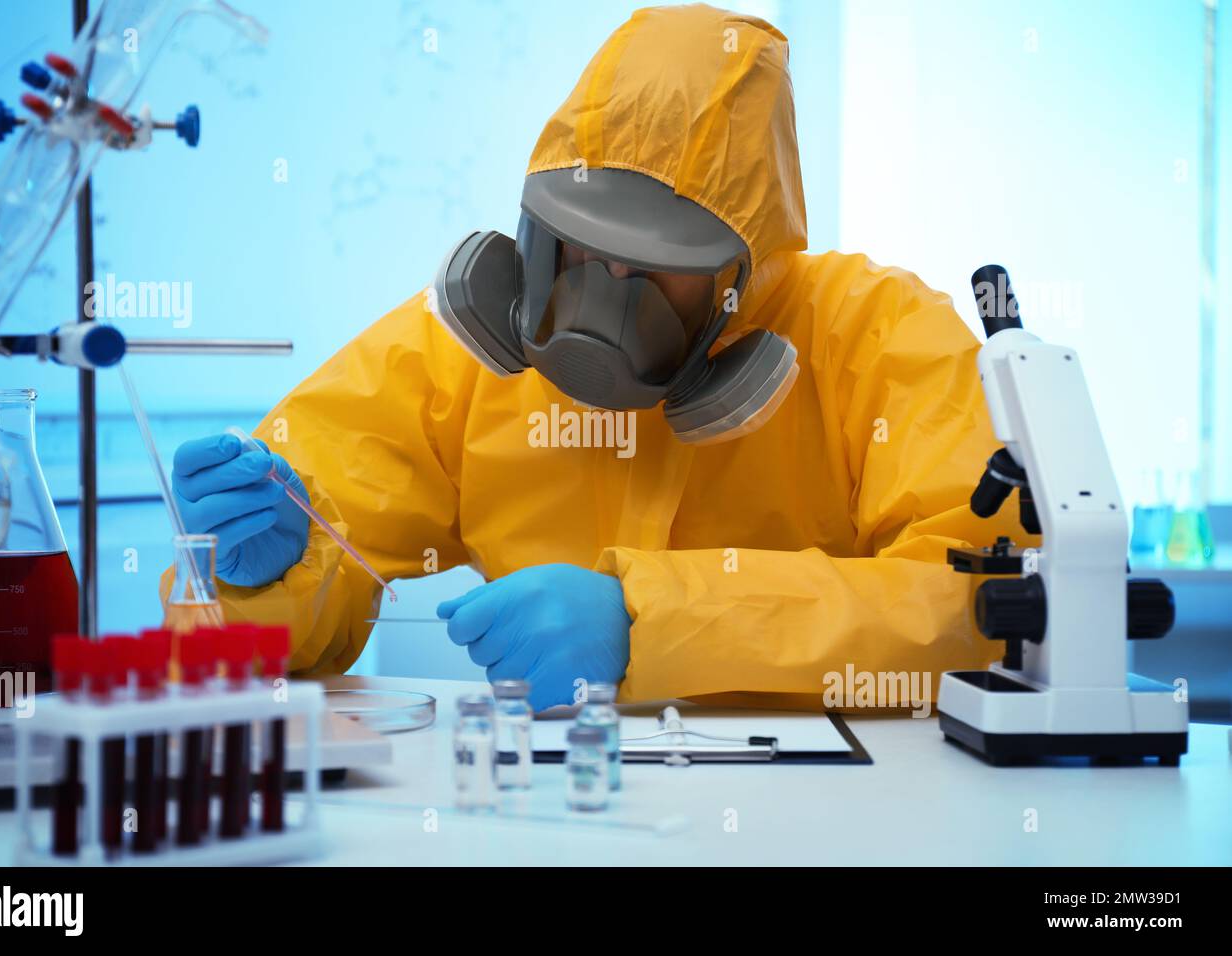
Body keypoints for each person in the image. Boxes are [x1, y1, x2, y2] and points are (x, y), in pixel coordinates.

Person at [168, 4, 1024, 712]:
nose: (608, 294)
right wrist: (261, 581)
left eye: (659, 269)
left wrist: (654, 621)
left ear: (741, 275)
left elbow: (987, 605)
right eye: (583, 250)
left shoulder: (873, 337)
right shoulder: (460, 361)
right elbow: (233, 647)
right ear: (535, 234)